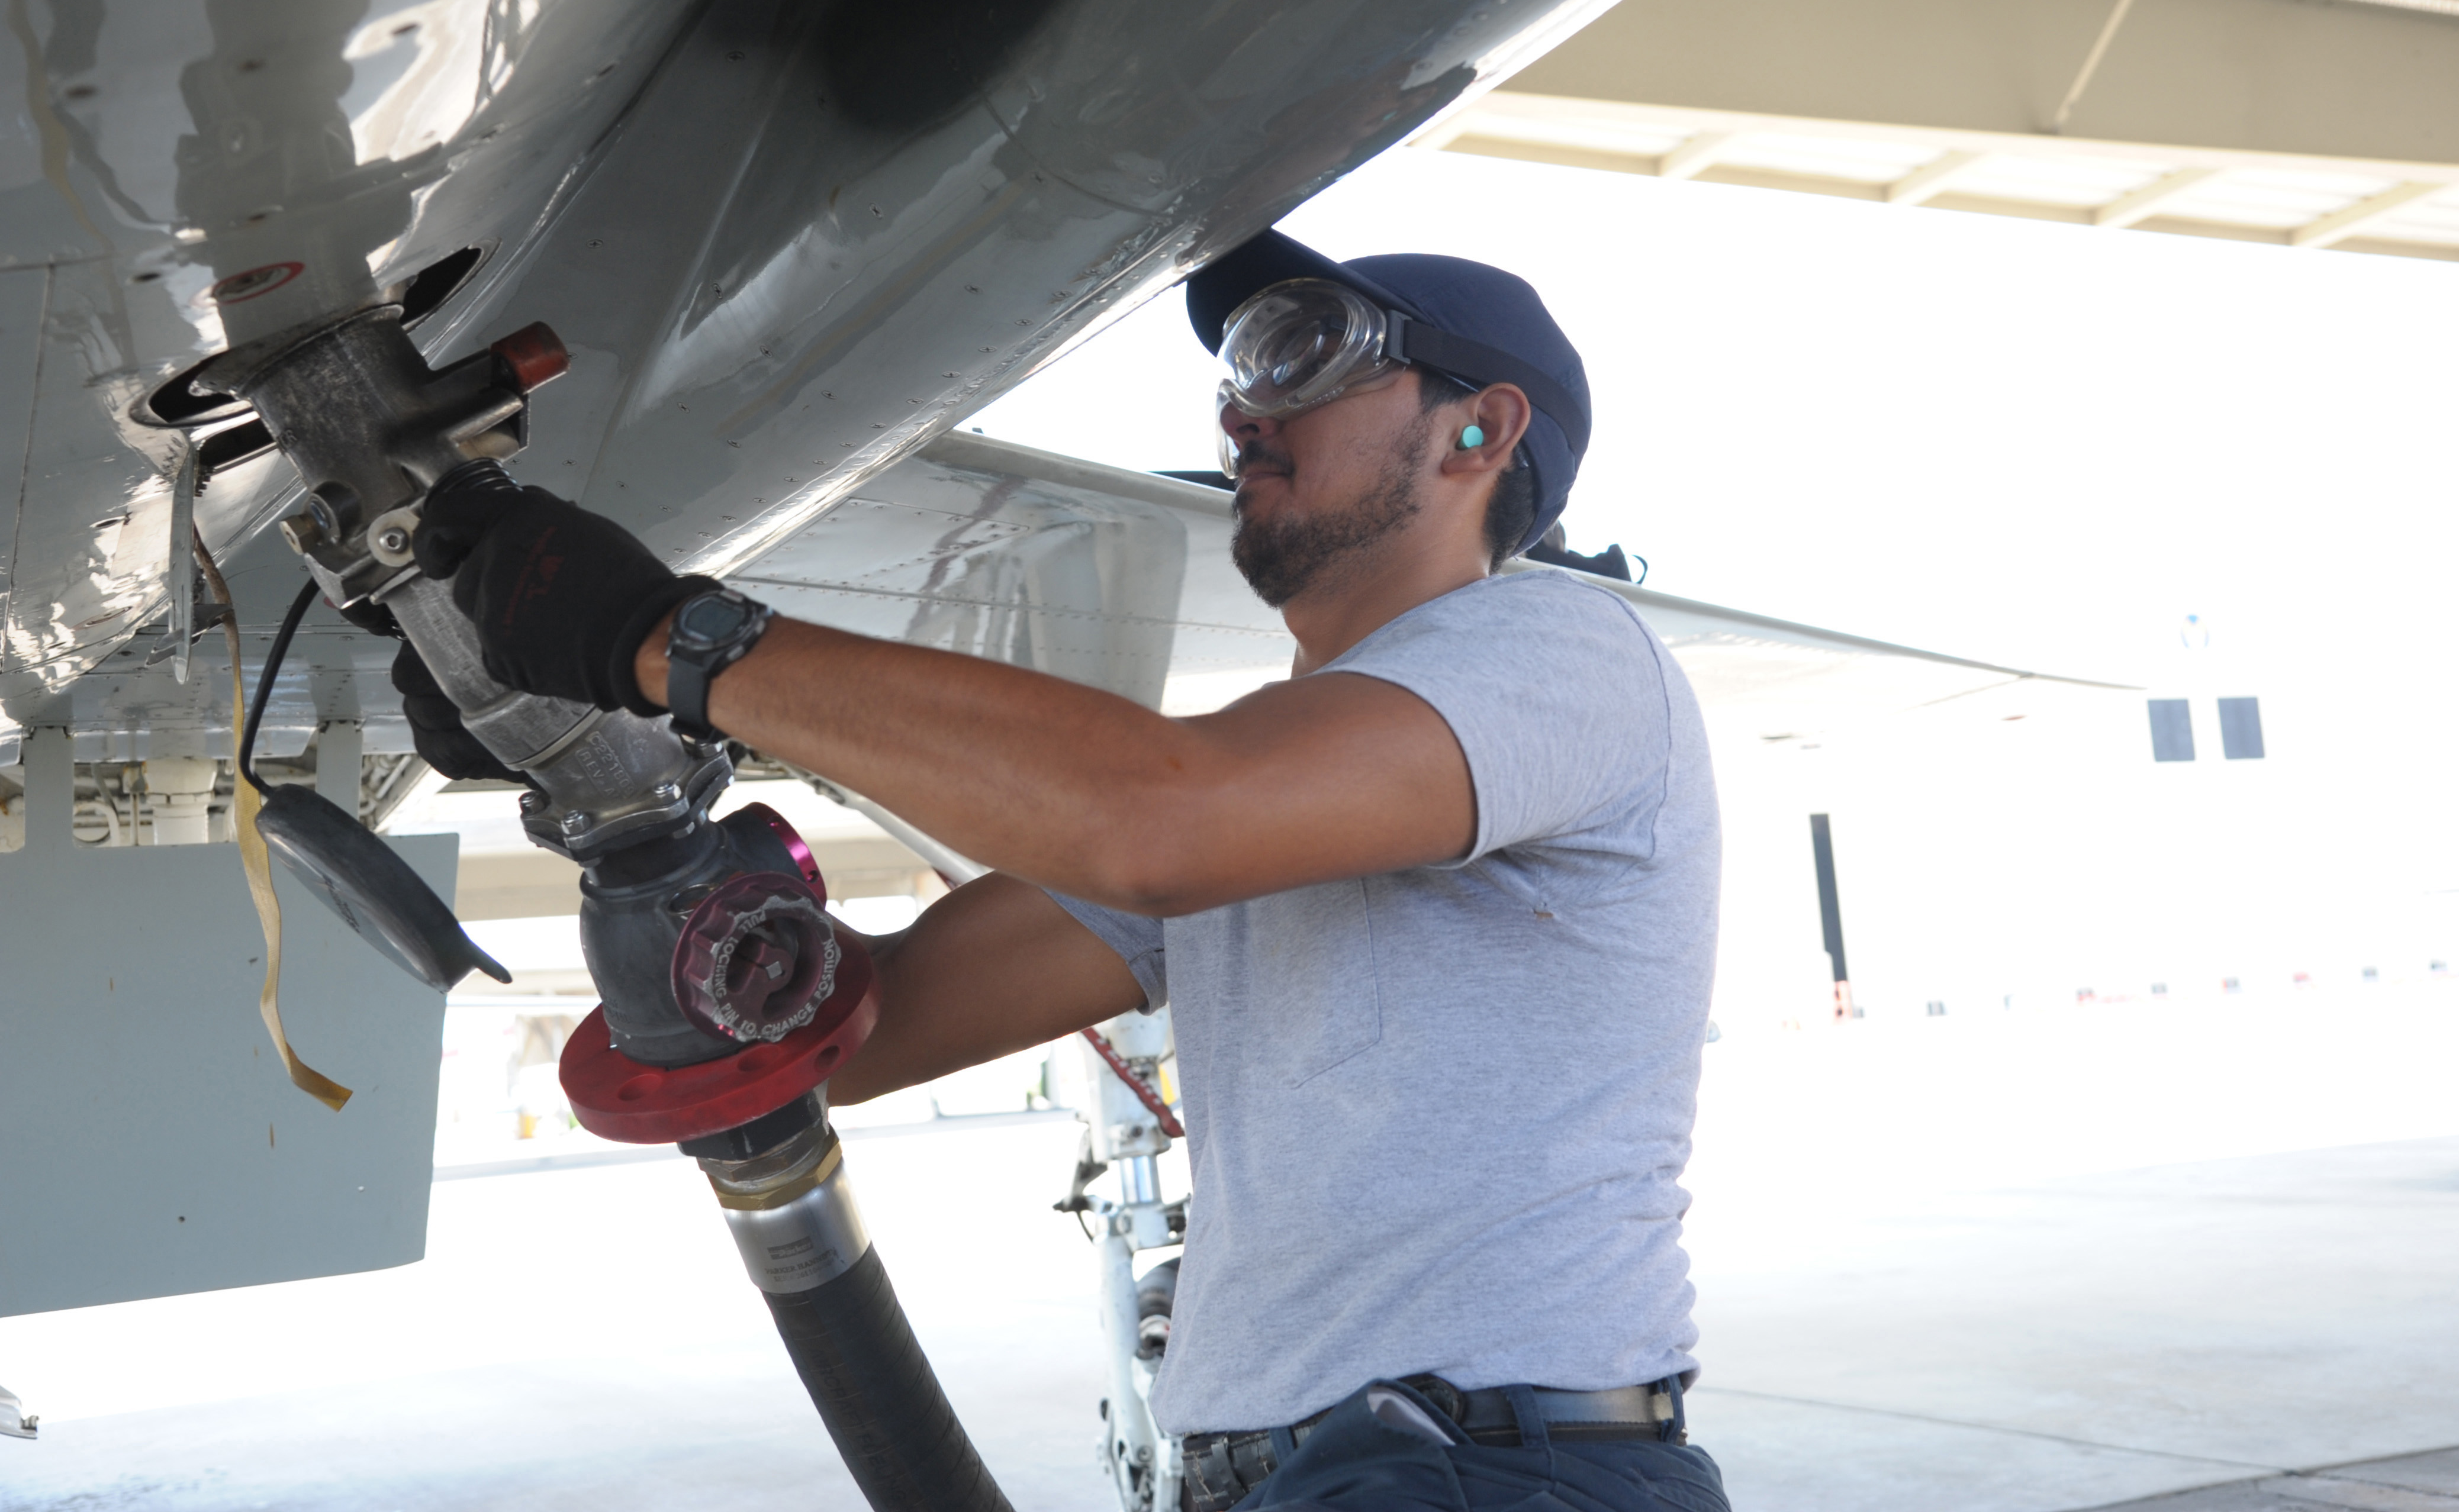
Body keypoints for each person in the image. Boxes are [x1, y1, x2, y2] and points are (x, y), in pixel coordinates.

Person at [407, 229, 1729, 1512]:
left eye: (1305, 354)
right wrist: (601, 778)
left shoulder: (1562, 650)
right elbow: (857, 1030)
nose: (1242, 417)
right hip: (1324, 1473)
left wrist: (666, 642)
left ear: (1480, 432)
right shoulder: (1261, 799)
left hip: (1495, 1471)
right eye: (1237, 376)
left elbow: (1154, 825)